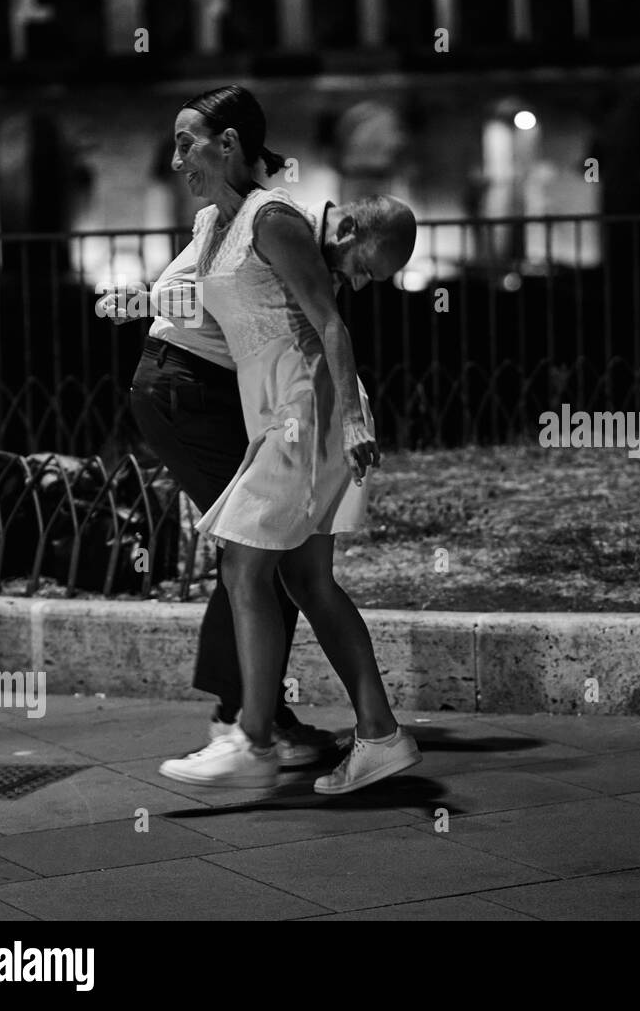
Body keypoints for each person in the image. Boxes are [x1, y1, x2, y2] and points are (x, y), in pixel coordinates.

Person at [149, 85, 417, 792]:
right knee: (307, 580)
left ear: (229, 144)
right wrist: (134, 307)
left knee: (244, 567)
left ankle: (255, 737)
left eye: (187, 143)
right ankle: (380, 735)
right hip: (276, 414)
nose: (177, 159)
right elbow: (208, 306)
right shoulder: (217, 222)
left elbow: (331, 322)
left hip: (308, 411)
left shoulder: (274, 217)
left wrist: (355, 420)